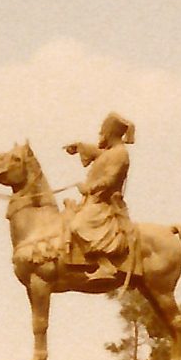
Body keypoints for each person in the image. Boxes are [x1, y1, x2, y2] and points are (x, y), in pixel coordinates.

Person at [62, 112, 135, 280]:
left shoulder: (120, 153)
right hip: (92, 201)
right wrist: (79, 147)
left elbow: (110, 179)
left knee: (77, 225)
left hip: (104, 203)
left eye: (102, 132)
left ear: (109, 133)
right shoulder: (111, 151)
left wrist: (88, 188)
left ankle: (105, 265)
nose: (100, 135)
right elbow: (98, 153)